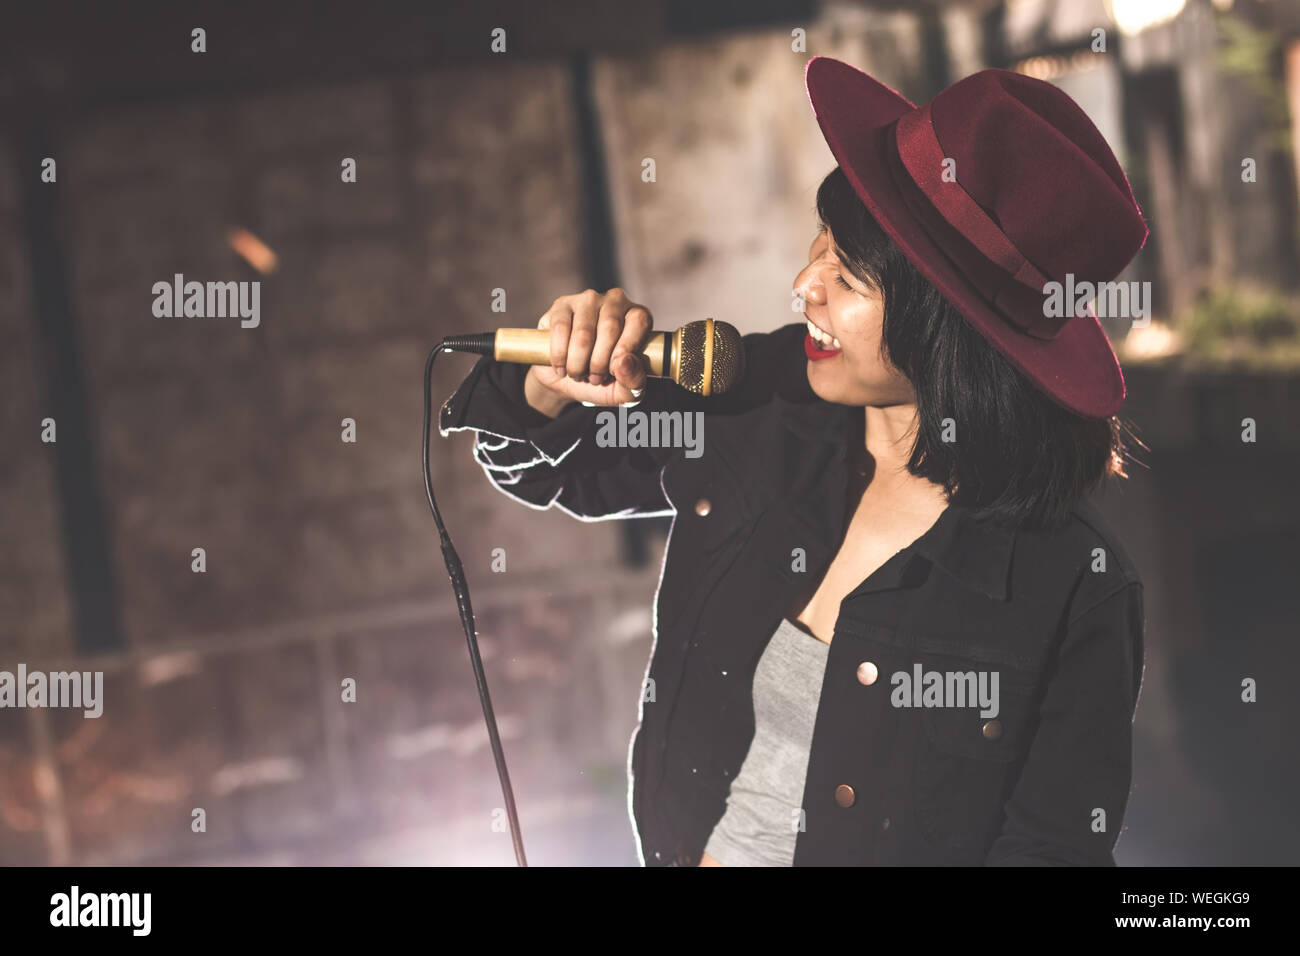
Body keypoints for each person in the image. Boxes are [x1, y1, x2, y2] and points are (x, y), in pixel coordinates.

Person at [439, 56, 1148, 866]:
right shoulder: (765, 398)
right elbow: (540, 468)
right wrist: (545, 384)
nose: (802, 285)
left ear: (948, 332)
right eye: (817, 250)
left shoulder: (1076, 589)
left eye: (845, 277)